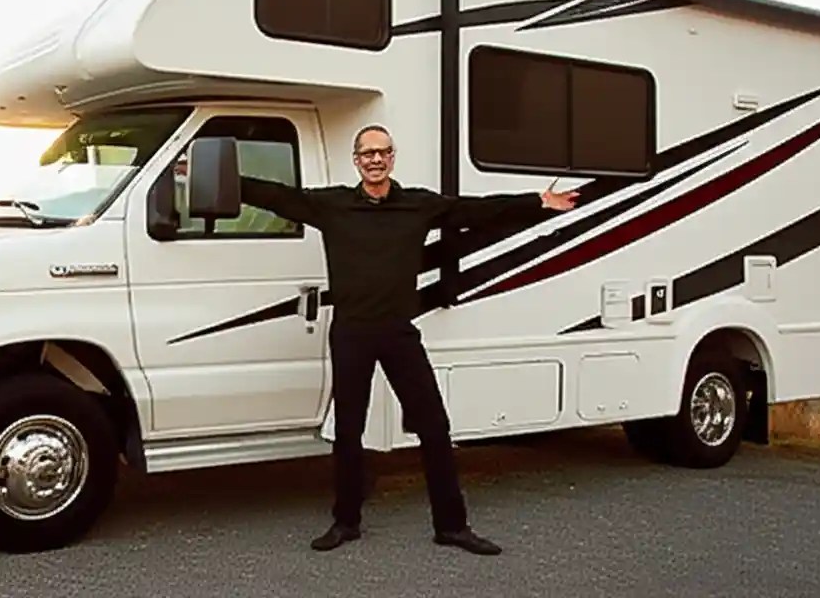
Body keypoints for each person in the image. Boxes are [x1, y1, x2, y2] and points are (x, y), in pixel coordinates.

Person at [238, 124, 578, 555]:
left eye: (383, 152)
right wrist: (219, 179)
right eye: (367, 153)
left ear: (392, 157)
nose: (375, 159)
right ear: (356, 160)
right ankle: (346, 522)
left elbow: (475, 211)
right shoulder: (332, 205)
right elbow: (277, 196)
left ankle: (452, 527)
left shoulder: (417, 204)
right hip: (352, 332)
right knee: (349, 432)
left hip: (399, 333)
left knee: (435, 428)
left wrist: (537, 202)